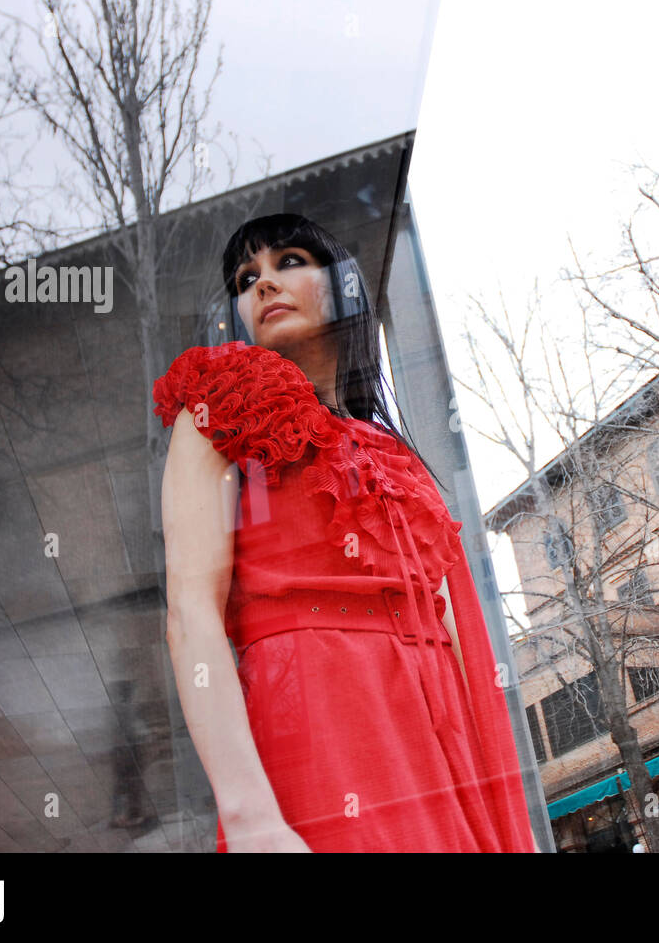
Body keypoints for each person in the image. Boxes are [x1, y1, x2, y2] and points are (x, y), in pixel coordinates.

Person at [153, 212, 538, 852]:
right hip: (316, 721)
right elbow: (190, 610)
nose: (265, 285)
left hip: (436, 742)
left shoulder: (394, 459)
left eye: (290, 263)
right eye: (248, 278)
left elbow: (453, 635)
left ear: (342, 286)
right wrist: (253, 819)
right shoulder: (220, 402)